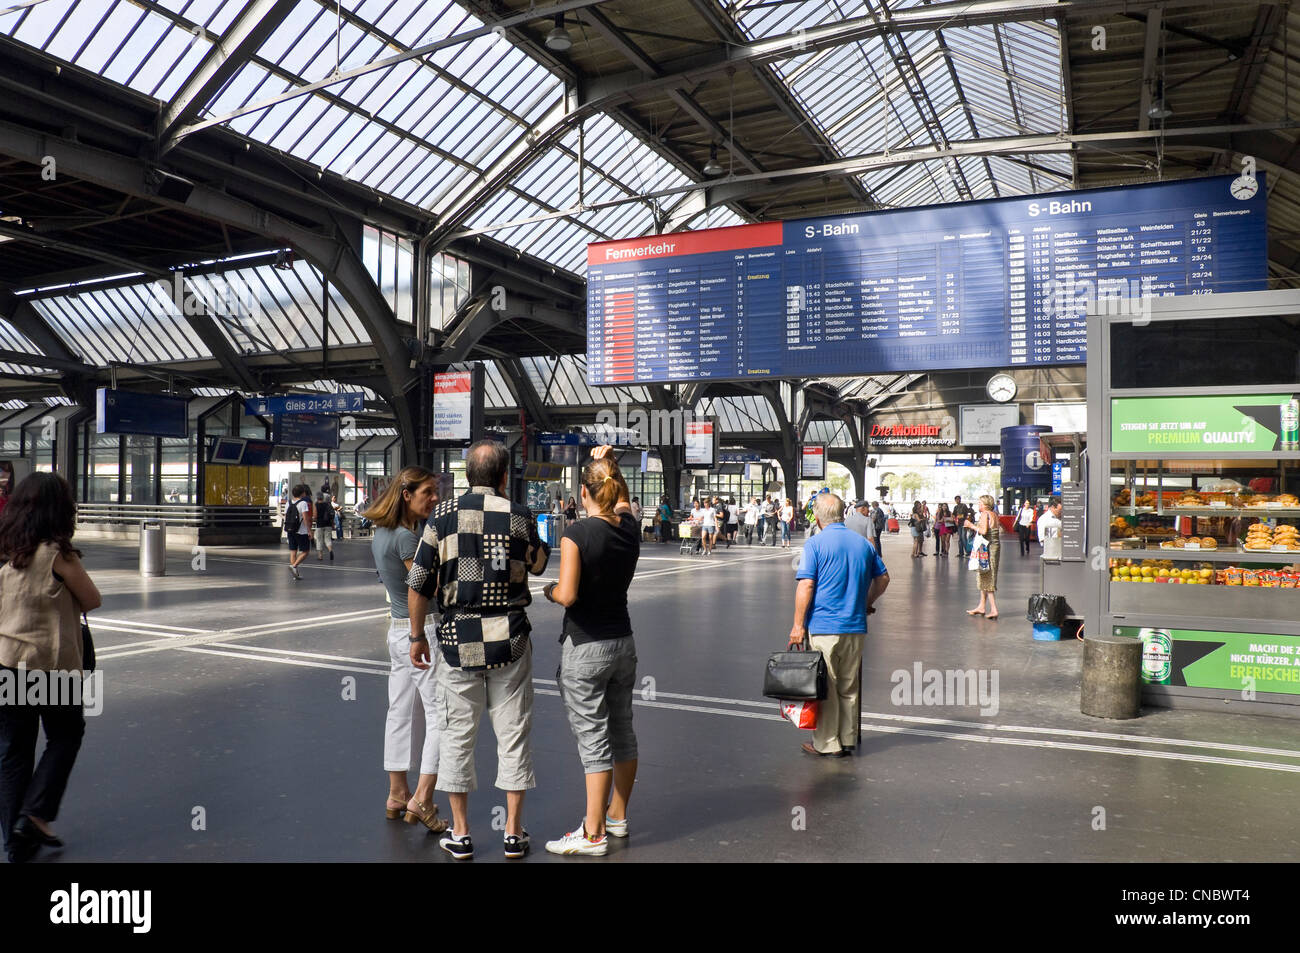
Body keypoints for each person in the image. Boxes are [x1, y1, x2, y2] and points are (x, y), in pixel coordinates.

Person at [407, 440, 550, 861]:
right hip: (511, 637)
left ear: (466, 474)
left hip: (458, 640)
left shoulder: (441, 517)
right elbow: (540, 565)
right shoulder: (520, 515)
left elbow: (418, 583)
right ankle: (513, 832)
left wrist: (417, 637)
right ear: (504, 476)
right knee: (514, 734)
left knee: (456, 735)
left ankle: (463, 833)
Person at [541, 447, 639, 856]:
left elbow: (567, 594)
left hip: (586, 647)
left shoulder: (577, 534)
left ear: (583, 493)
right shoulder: (629, 527)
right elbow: (623, 500)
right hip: (623, 642)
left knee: (594, 742)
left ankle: (593, 833)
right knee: (622, 732)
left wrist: (546, 590)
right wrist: (610, 463)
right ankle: (616, 815)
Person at [0, 472, 101, 863]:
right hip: (53, 667)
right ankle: (36, 815)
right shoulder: (58, 554)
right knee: (65, 736)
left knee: (14, 751)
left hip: (8, 663)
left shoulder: (5, 548)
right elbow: (92, 600)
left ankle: (15, 842)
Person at [365, 466, 447, 834]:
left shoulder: (381, 535)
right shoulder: (405, 540)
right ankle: (423, 801)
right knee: (440, 715)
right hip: (422, 631)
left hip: (397, 634)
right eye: (428, 492)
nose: (435, 498)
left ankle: (397, 793)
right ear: (406, 494)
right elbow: (425, 589)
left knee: (399, 712)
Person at [788, 493, 889, 758]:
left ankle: (827, 743)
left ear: (819, 518)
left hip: (824, 626)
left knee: (827, 686)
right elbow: (884, 579)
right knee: (848, 685)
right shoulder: (863, 544)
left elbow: (806, 584)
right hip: (855, 626)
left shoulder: (815, 544)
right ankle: (847, 738)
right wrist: (867, 602)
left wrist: (798, 625)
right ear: (843, 514)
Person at [964, 494, 1001, 619]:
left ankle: (994, 609)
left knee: (988, 576)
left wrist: (971, 526)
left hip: (987, 548)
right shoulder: (994, 514)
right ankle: (981, 606)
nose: (978, 505)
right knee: (984, 575)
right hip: (994, 547)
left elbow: (984, 531)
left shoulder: (985, 514)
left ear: (985, 505)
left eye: (980, 503)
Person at [285, 484, 313, 580]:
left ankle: (295, 573)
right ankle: (294, 566)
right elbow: (305, 518)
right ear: (303, 493)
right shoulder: (303, 503)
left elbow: (286, 516)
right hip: (301, 531)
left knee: (293, 552)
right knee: (306, 551)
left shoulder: (288, 503)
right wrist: (309, 530)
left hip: (290, 530)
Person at [1038, 496, 1063, 561]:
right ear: (1052, 508)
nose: (1061, 512)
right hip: (1052, 557)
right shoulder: (1044, 519)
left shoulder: (1060, 518)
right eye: (1060, 510)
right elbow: (1043, 539)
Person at [314, 492, 336, 562]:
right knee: (328, 539)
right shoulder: (328, 505)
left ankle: (320, 556)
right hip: (328, 524)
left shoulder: (316, 505)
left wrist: (314, 519)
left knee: (319, 540)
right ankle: (330, 550)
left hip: (320, 524)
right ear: (323, 498)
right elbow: (332, 515)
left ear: (317, 498)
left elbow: (315, 516)